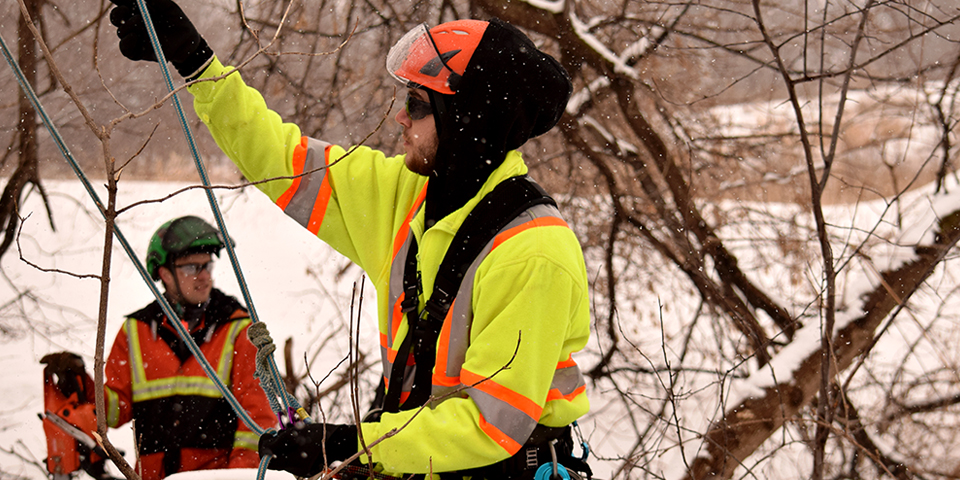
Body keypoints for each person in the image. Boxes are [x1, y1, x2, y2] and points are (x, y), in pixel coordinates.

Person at [107, 1, 593, 479]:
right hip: (409, 465)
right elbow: (279, 157)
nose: (401, 118)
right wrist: (195, 61)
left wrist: (347, 445)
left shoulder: (533, 252)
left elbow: (490, 426)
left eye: (418, 106)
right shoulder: (405, 198)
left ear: (468, 122)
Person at [44, 216, 277, 480]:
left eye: (207, 266)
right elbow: (117, 408)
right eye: (192, 268)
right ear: (165, 273)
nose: (204, 277)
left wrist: (239, 477)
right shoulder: (136, 331)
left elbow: (258, 420)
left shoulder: (238, 329)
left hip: (215, 476)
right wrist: (83, 385)